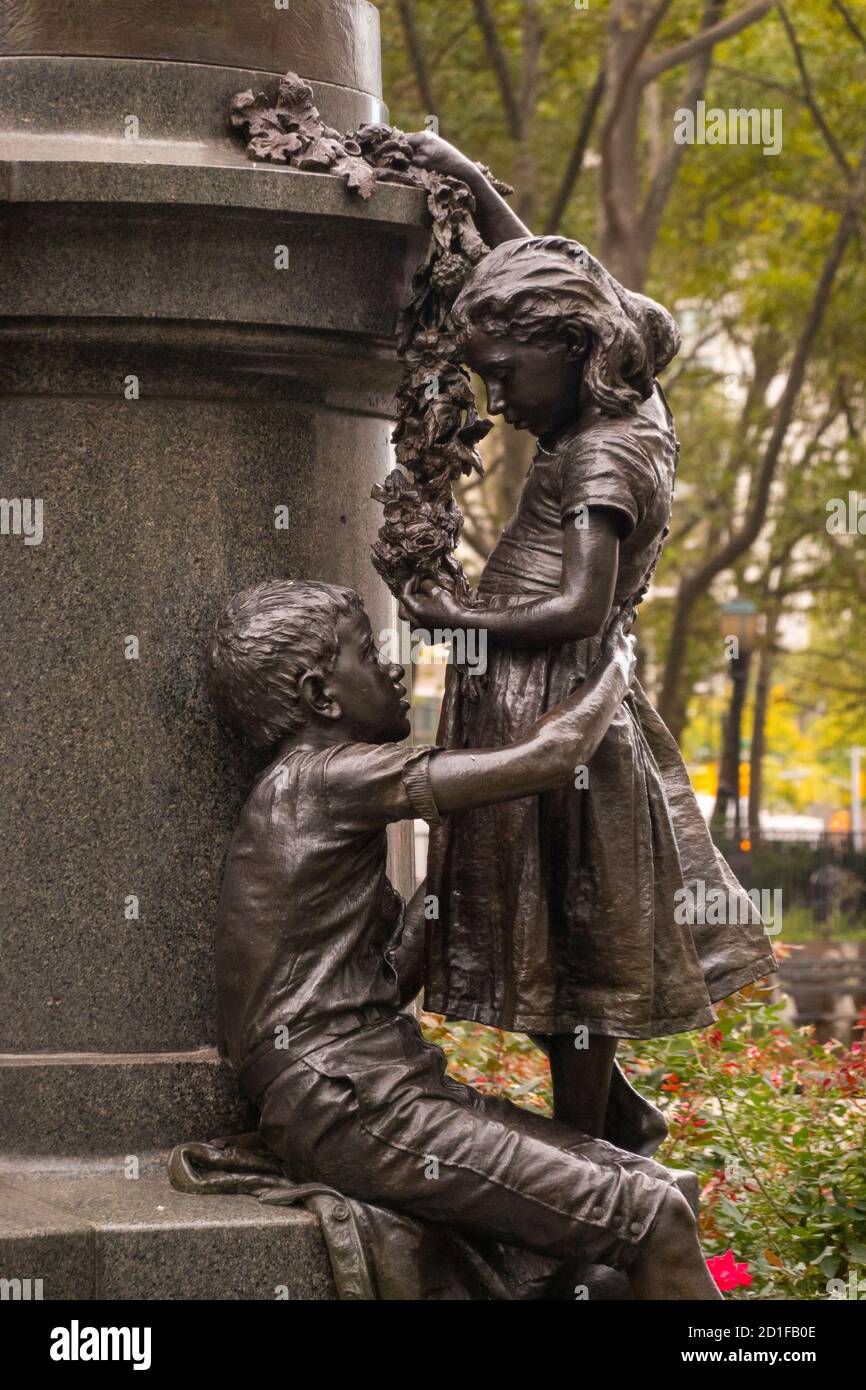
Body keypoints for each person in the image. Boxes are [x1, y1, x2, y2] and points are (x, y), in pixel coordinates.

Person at [399, 132, 778, 1136]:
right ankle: (616, 1125)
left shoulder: (604, 453)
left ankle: (584, 1154)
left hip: (553, 696)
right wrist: (471, 184)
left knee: (569, 947)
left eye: (502, 375)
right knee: (535, 933)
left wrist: (455, 617)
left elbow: (578, 607)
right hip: (532, 689)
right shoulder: (621, 379)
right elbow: (562, 281)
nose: (496, 403)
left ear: (568, 353)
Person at [207, 578, 720, 1299]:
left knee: (646, 1194)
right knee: (650, 1213)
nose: (394, 666)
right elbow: (548, 758)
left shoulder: (303, 796)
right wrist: (614, 663)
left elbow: (392, 973)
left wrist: (470, 869)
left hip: (372, 1091)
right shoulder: (325, 778)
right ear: (321, 695)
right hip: (353, 1104)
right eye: (370, 651)